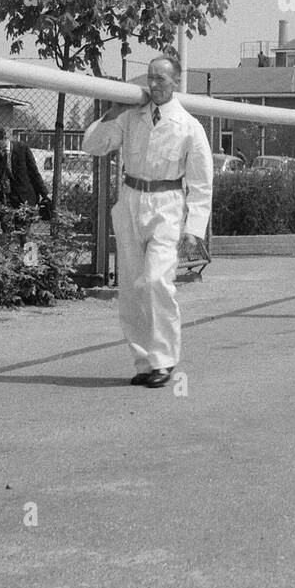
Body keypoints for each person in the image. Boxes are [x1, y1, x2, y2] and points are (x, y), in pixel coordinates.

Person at [82, 54, 212, 388]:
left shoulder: (189, 127)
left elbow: (201, 185)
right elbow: (92, 146)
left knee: (157, 282)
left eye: (161, 80)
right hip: (130, 202)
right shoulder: (129, 118)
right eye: (150, 78)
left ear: (176, 82)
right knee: (131, 287)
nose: (153, 85)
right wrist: (111, 113)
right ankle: (143, 362)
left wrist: (193, 230)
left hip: (166, 207)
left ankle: (164, 361)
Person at [0, 125, 50, 247]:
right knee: (8, 233)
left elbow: (34, 172)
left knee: (25, 234)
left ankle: (30, 264)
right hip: (6, 200)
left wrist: (45, 194)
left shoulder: (22, 148)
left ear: (5, 138)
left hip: (25, 199)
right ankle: (11, 263)